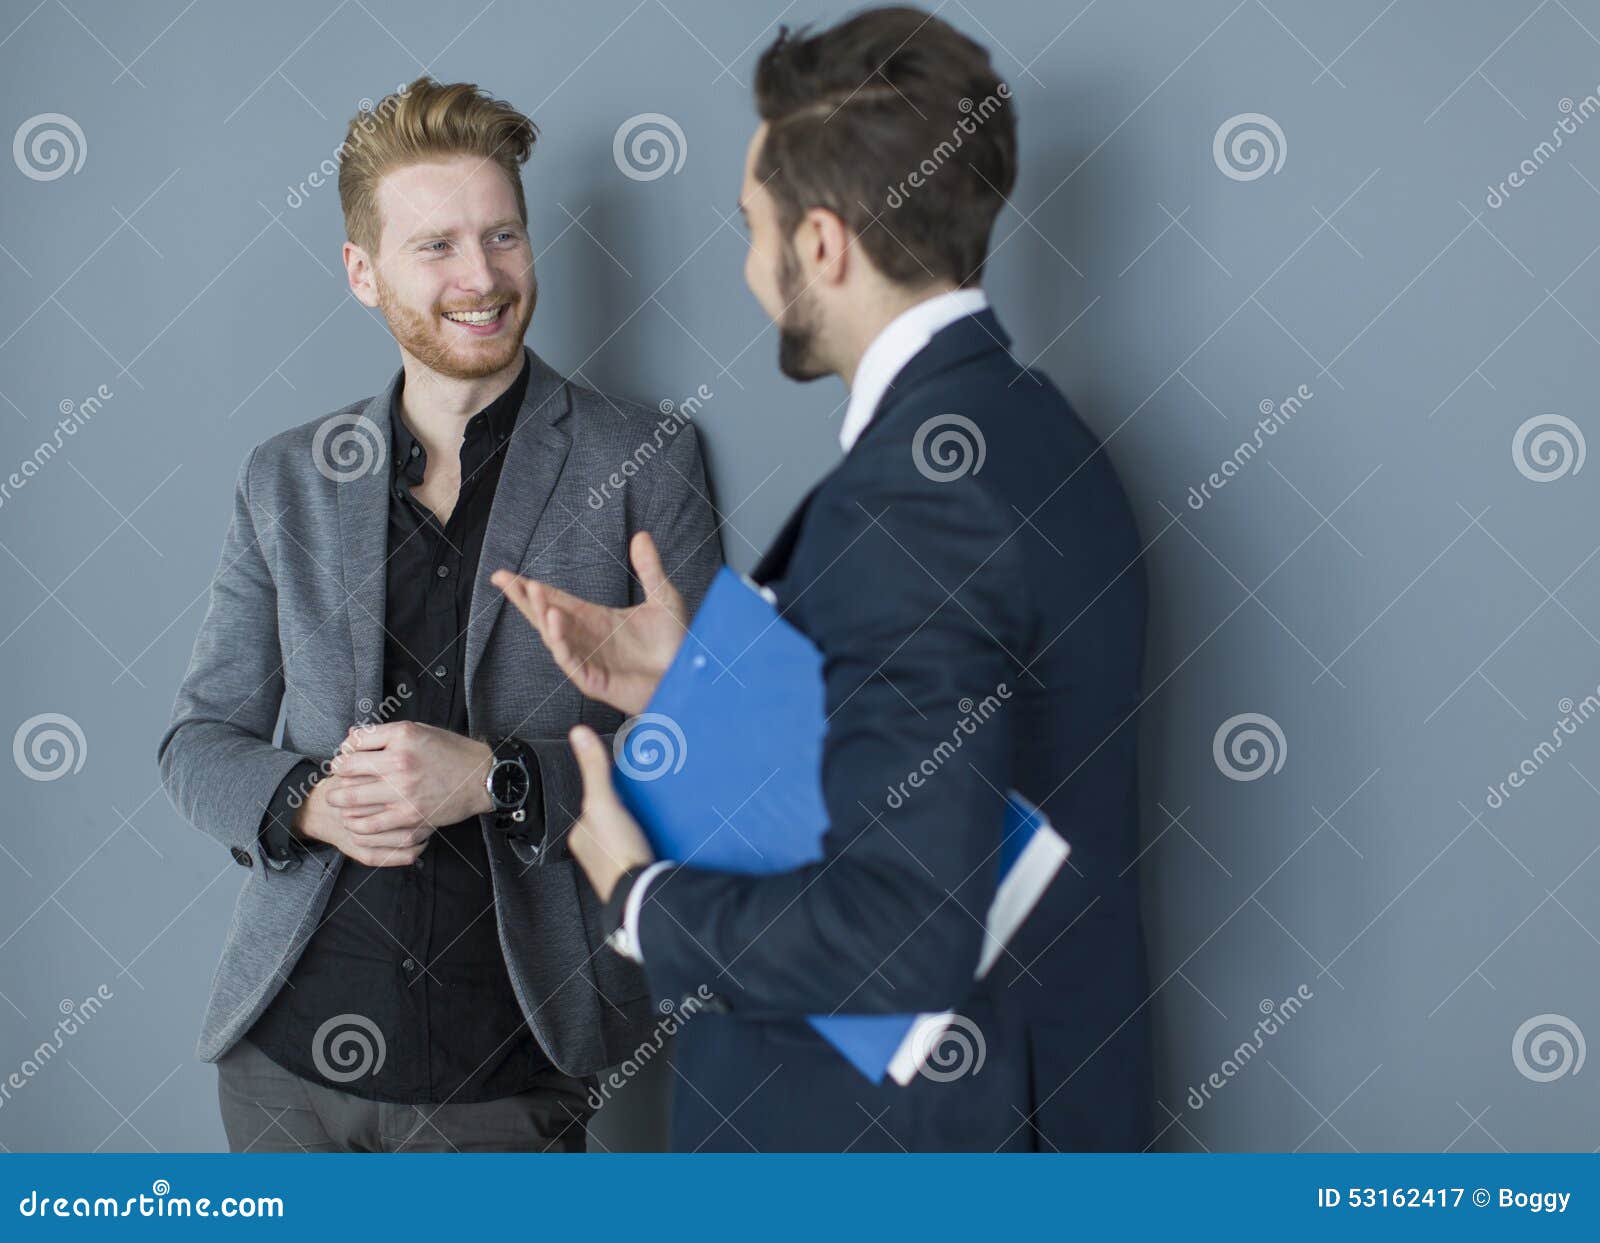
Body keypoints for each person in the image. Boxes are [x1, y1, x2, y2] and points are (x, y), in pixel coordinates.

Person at [494, 7, 1153, 1152]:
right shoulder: (1040, 435)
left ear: (822, 245)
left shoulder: (913, 497)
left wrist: (634, 895)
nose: (749, 263)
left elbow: (901, 931)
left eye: (752, 226)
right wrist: (692, 683)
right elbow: (955, 768)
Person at [157, 77, 721, 1152]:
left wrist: (500, 779)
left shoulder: (648, 458)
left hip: (509, 1065)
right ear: (363, 273)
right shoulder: (283, 478)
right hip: (281, 1067)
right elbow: (197, 741)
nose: (483, 278)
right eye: (438, 247)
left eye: (502, 234)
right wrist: (308, 801)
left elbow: (709, 757)